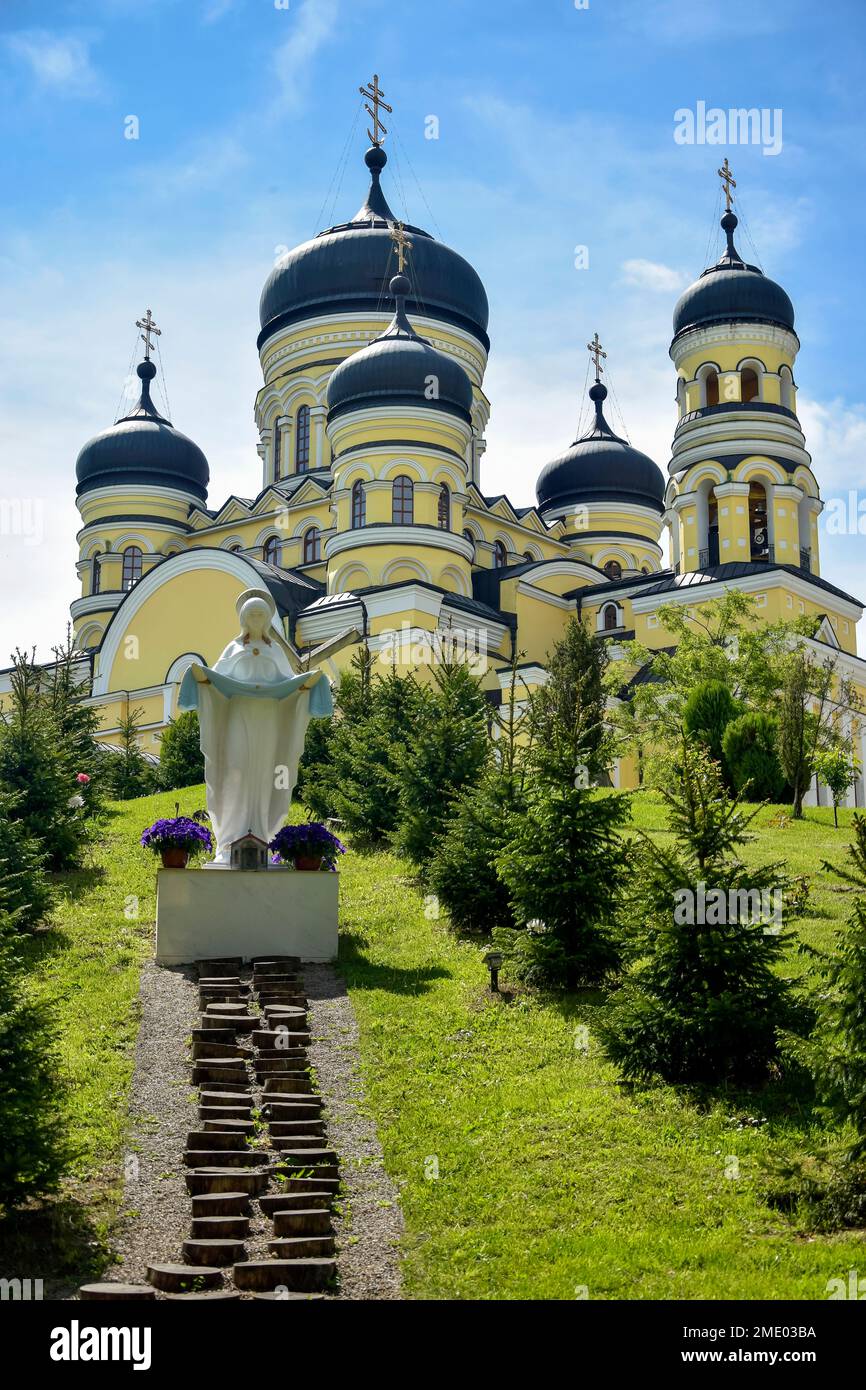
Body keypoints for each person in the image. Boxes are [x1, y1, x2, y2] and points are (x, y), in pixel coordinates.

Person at [178, 587, 332, 864]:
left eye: (262, 615)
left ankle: (261, 833)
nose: (257, 619)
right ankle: (228, 841)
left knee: (264, 772)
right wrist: (199, 677)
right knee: (236, 769)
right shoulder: (233, 648)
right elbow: (215, 679)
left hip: (269, 717)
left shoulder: (276, 652)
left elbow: (288, 685)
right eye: (252, 614)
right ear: (244, 619)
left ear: (269, 618)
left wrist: (307, 684)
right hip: (239, 714)